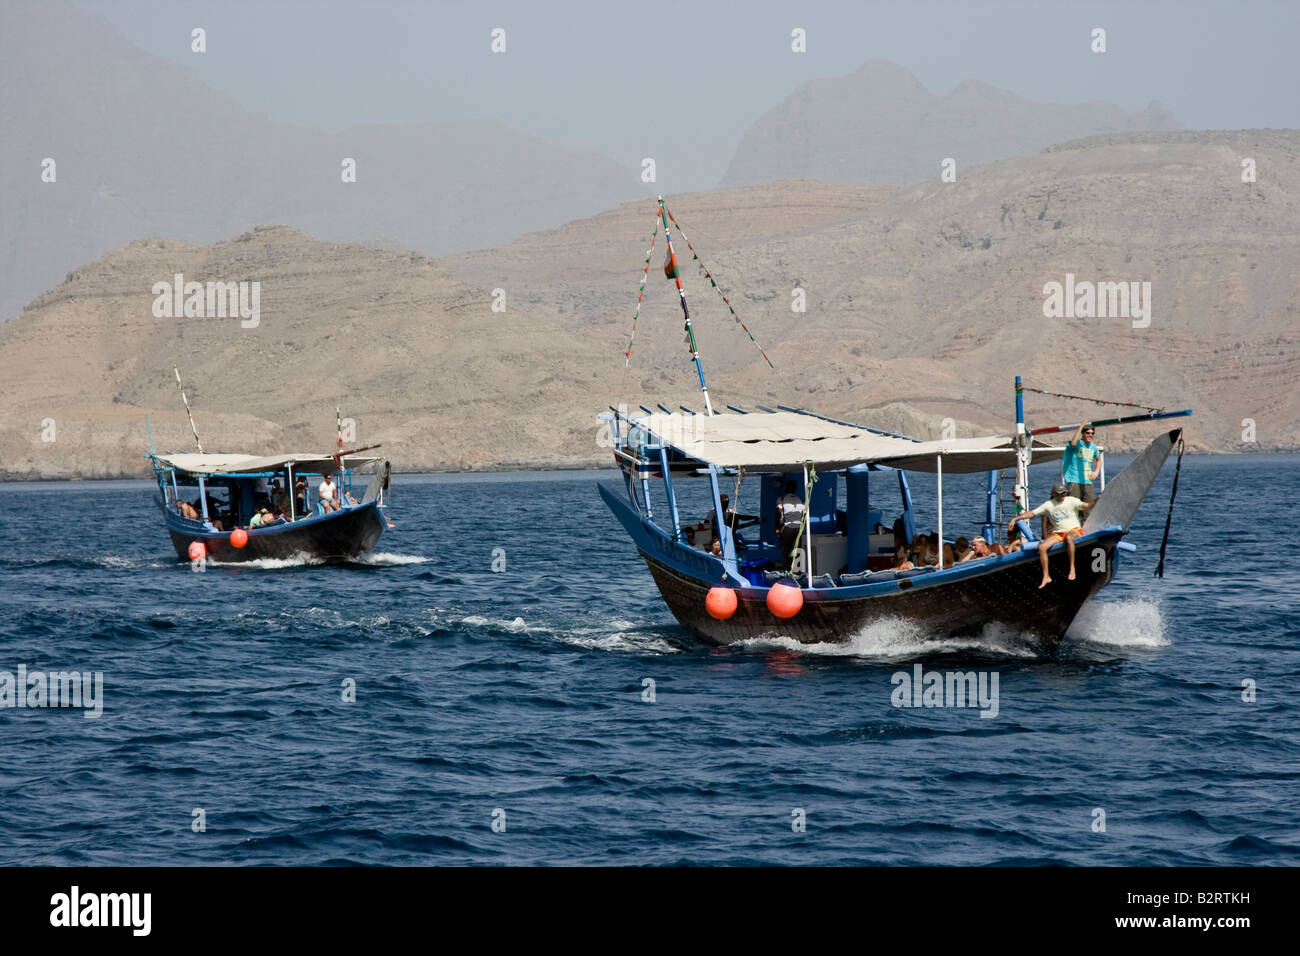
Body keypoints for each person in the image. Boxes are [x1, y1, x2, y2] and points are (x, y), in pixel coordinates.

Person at [1011, 481, 1097, 589]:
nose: (1062, 495)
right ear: (1054, 493)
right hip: (1058, 533)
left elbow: (1087, 506)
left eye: (1064, 493)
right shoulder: (1048, 505)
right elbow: (1032, 513)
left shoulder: (1071, 501)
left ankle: (1072, 568)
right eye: (1060, 493)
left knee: (1069, 538)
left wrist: (1098, 499)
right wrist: (1016, 518)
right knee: (1042, 547)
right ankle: (1046, 576)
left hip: (1073, 530)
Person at [1062, 422, 1103, 503]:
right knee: (1074, 507)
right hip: (1074, 480)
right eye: (1087, 433)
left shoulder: (1093, 447)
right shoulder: (1077, 443)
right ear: (1082, 433)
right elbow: (1073, 443)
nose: (1090, 435)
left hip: (1087, 481)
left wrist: (1096, 471)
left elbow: (1098, 459)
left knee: (1087, 508)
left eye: (1092, 433)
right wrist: (1081, 426)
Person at [776, 480, 806, 568]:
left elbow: (779, 512)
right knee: (797, 549)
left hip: (787, 528)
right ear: (795, 489)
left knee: (786, 550)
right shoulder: (799, 499)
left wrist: (777, 528)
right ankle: (798, 570)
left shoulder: (781, 499)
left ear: (786, 488)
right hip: (798, 528)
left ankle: (786, 569)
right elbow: (804, 513)